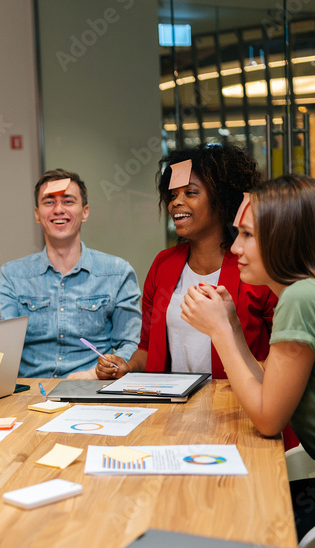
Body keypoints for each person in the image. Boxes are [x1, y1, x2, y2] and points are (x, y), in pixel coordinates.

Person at [181, 175, 315, 538]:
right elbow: (268, 387)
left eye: (247, 235)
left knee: (226, 518)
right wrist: (231, 326)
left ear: (285, 237)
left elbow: (268, 418)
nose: (234, 249)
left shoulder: (301, 298)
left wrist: (220, 334)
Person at [95, 144, 275, 380]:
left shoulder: (255, 268)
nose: (175, 203)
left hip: (238, 406)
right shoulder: (163, 264)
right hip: (173, 409)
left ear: (222, 200)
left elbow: (281, 360)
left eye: (190, 192)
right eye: (172, 195)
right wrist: (127, 367)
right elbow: (147, 349)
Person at [0, 168, 140, 378]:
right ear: (37, 214)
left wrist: (98, 373)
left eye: (68, 201)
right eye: (49, 202)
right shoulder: (13, 275)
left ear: (85, 211)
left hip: (91, 387)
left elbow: (130, 344)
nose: (58, 209)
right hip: (28, 395)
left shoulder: (117, 272)